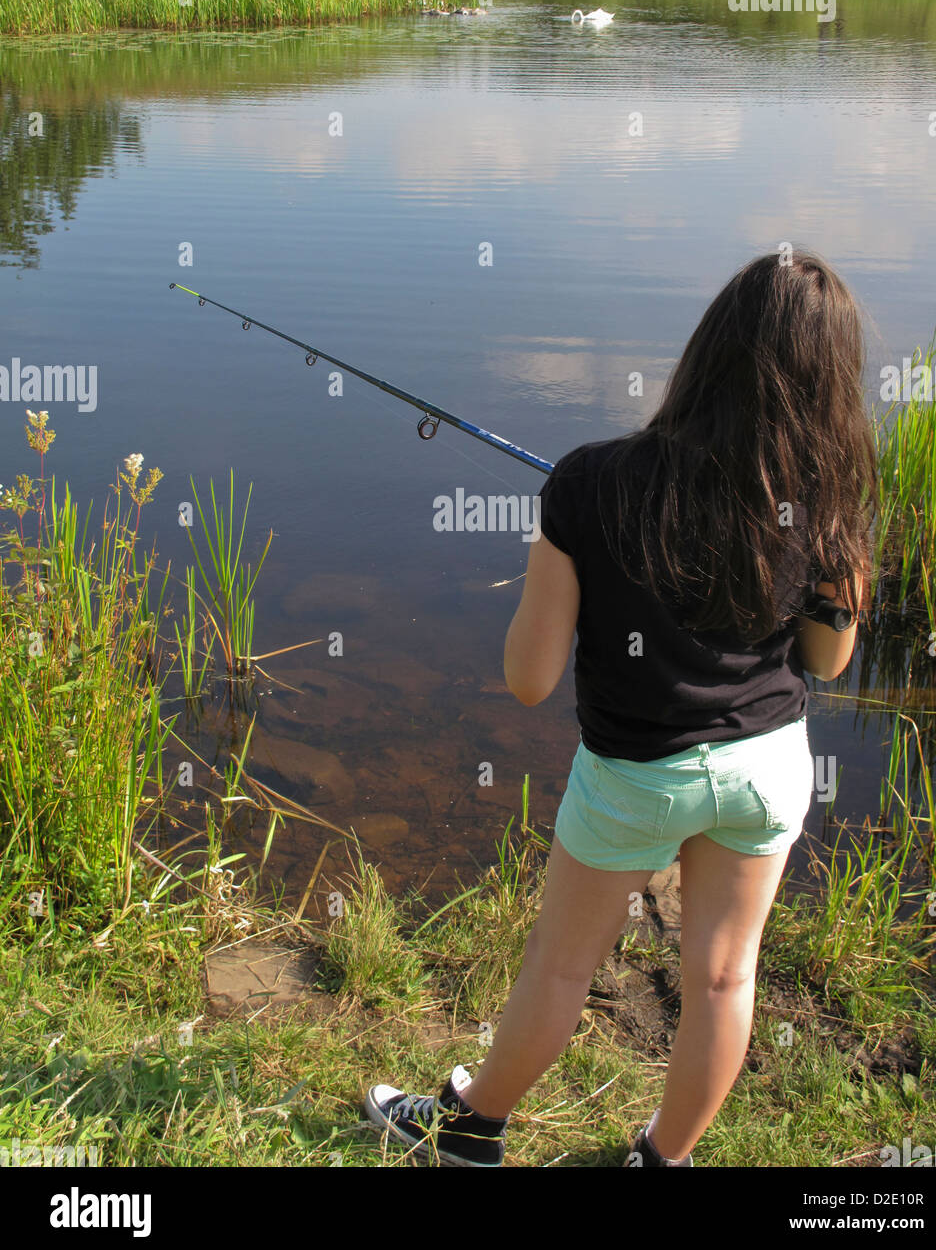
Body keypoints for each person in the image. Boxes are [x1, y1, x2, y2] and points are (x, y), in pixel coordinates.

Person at [363, 250, 876, 1167]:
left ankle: (471, 1127)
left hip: (636, 774)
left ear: (710, 346)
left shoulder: (589, 481)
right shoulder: (826, 501)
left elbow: (529, 677)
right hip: (766, 769)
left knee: (563, 965)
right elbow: (828, 658)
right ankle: (661, 1160)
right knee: (725, 978)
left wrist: (561, 543)